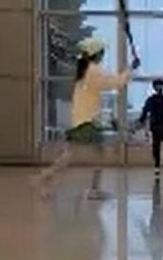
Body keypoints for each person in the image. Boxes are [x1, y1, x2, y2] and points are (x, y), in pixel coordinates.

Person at [37, 37, 137, 200]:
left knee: (69, 156)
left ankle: (47, 180)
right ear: (97, 54)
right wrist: (130, 70)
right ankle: (92, 190)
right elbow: (114, 83)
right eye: (102, 52)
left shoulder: (84, 71)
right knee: (99, 155)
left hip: (80, 120)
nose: (103, 55)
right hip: (87, 122)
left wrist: (129, 71)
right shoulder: (93, 71)